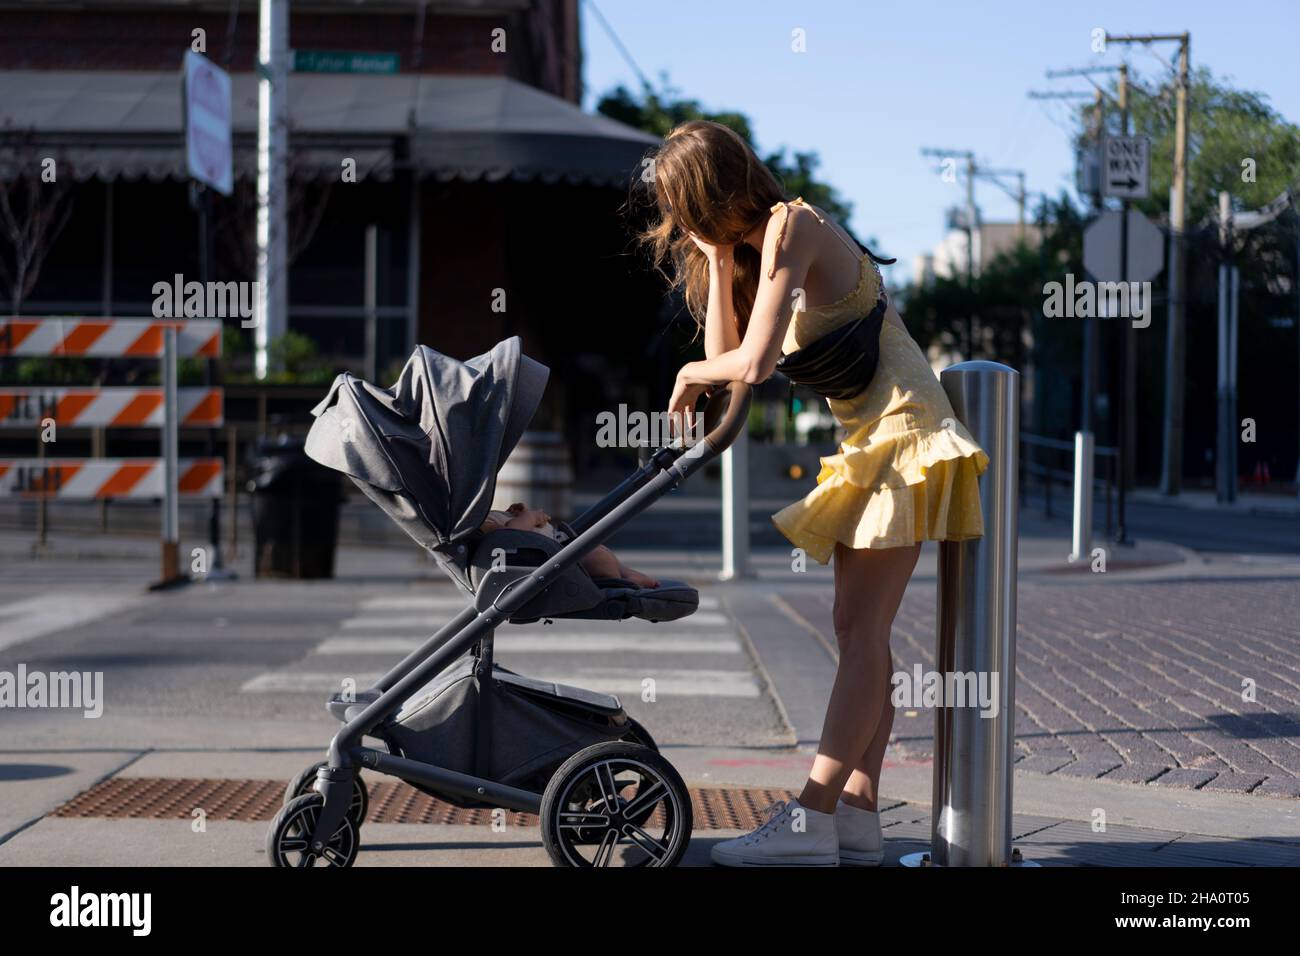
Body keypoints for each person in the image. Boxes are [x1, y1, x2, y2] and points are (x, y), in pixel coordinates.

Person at [644, 120, 989, 866]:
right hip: (873, 442)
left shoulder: (794, 226)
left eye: (686, 209)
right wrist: (714, 258)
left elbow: (756, 364)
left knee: (860, 635)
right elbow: (730, 356)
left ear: (709, 191)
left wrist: (685, 378)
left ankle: (812, 816)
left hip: (904, 435)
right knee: (856, 633)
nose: (682, 226)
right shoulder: (762, 243)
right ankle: (858, 817)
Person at [480, 502, 660, 589]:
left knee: (603, 555)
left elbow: (509, 526)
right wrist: (530, 517)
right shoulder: (488, 529)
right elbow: (511, 534)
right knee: (599, 560)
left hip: (560, 546)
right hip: (556, 556)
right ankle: (622, 581)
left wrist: (513, 513)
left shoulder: (487, 517)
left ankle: (627, 574)